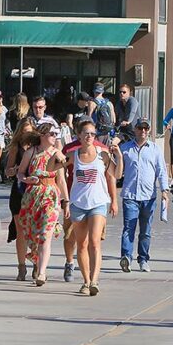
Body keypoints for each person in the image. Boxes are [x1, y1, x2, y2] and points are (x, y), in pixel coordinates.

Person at [68, 120, 121, 296]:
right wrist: (55, 154)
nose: (90, 137)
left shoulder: (102, 154)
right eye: (86, 133)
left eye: (92, 134)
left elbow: (116, 174)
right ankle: (86, 281)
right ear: (79, 136)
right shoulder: (73, 154)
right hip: (78, 203)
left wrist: (119, 157)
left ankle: (94, 280)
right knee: (81, 244)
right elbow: (52, 167)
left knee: (94, 241)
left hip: (98, 202)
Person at [16, 122, 70, 286]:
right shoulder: (31, 152)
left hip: (51, 196)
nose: (54, 137)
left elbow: (61, 180)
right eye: (52, 134)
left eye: (56, 134)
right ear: (42, 135)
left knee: (45, 235)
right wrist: (27, 179)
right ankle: (37, 263)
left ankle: (42, 272)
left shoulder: (56, 153)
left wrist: (66, 202)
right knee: (34, 235)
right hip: (33, 196)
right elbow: (20, 173)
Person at [119, 118, 171, 273]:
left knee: (145, 231)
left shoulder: (155, 149)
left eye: (146, 128)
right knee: (129, 228)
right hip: (130, 195)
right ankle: (126, 257)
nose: (143, 131)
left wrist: (164, 190)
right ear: (135, 129)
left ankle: (143, 259)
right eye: (140, 128)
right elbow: (117, 169)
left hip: (149, 196)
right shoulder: (125, 149)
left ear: (149, 130)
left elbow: (161, 171)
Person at [4, 119, 35, 281]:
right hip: (19, 191)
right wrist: (15, 170)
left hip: (35, 192)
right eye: (24, 131)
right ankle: (21, 266)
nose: (26, 134)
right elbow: (7, 171)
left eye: (29, 131)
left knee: (34, 231)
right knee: (21, 231)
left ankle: (37, 262)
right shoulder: (16, 147)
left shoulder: (38, 147)